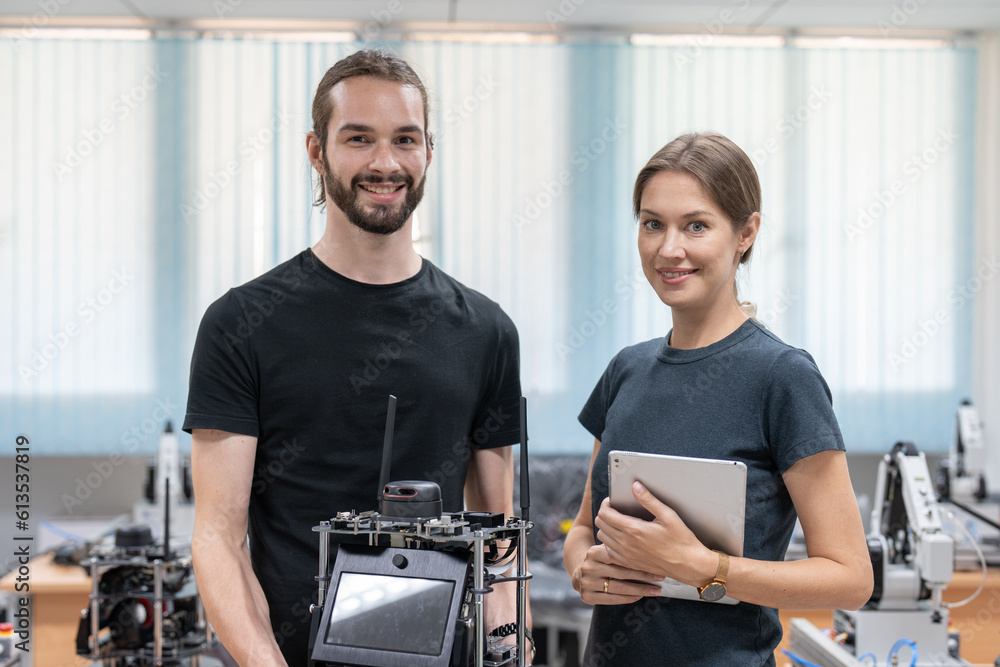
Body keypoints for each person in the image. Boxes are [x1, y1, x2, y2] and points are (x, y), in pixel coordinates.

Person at [184, 49, 527, 666]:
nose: (385, 162)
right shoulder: (240, 325)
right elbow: (217, 538)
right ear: (317, 151)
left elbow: (498, 541)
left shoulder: (487, 330)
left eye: (405, 139)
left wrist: (509, 650)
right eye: (359, 138)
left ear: (428, 150)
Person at [562, 132, 873, 665]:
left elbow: (849, 580)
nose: (668, 248)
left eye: (696, 226)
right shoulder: (626, 370)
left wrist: (703, 566)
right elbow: (587, 528)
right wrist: (582, 569)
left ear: (745, 233)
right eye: (652, 223)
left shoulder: (782, 376)